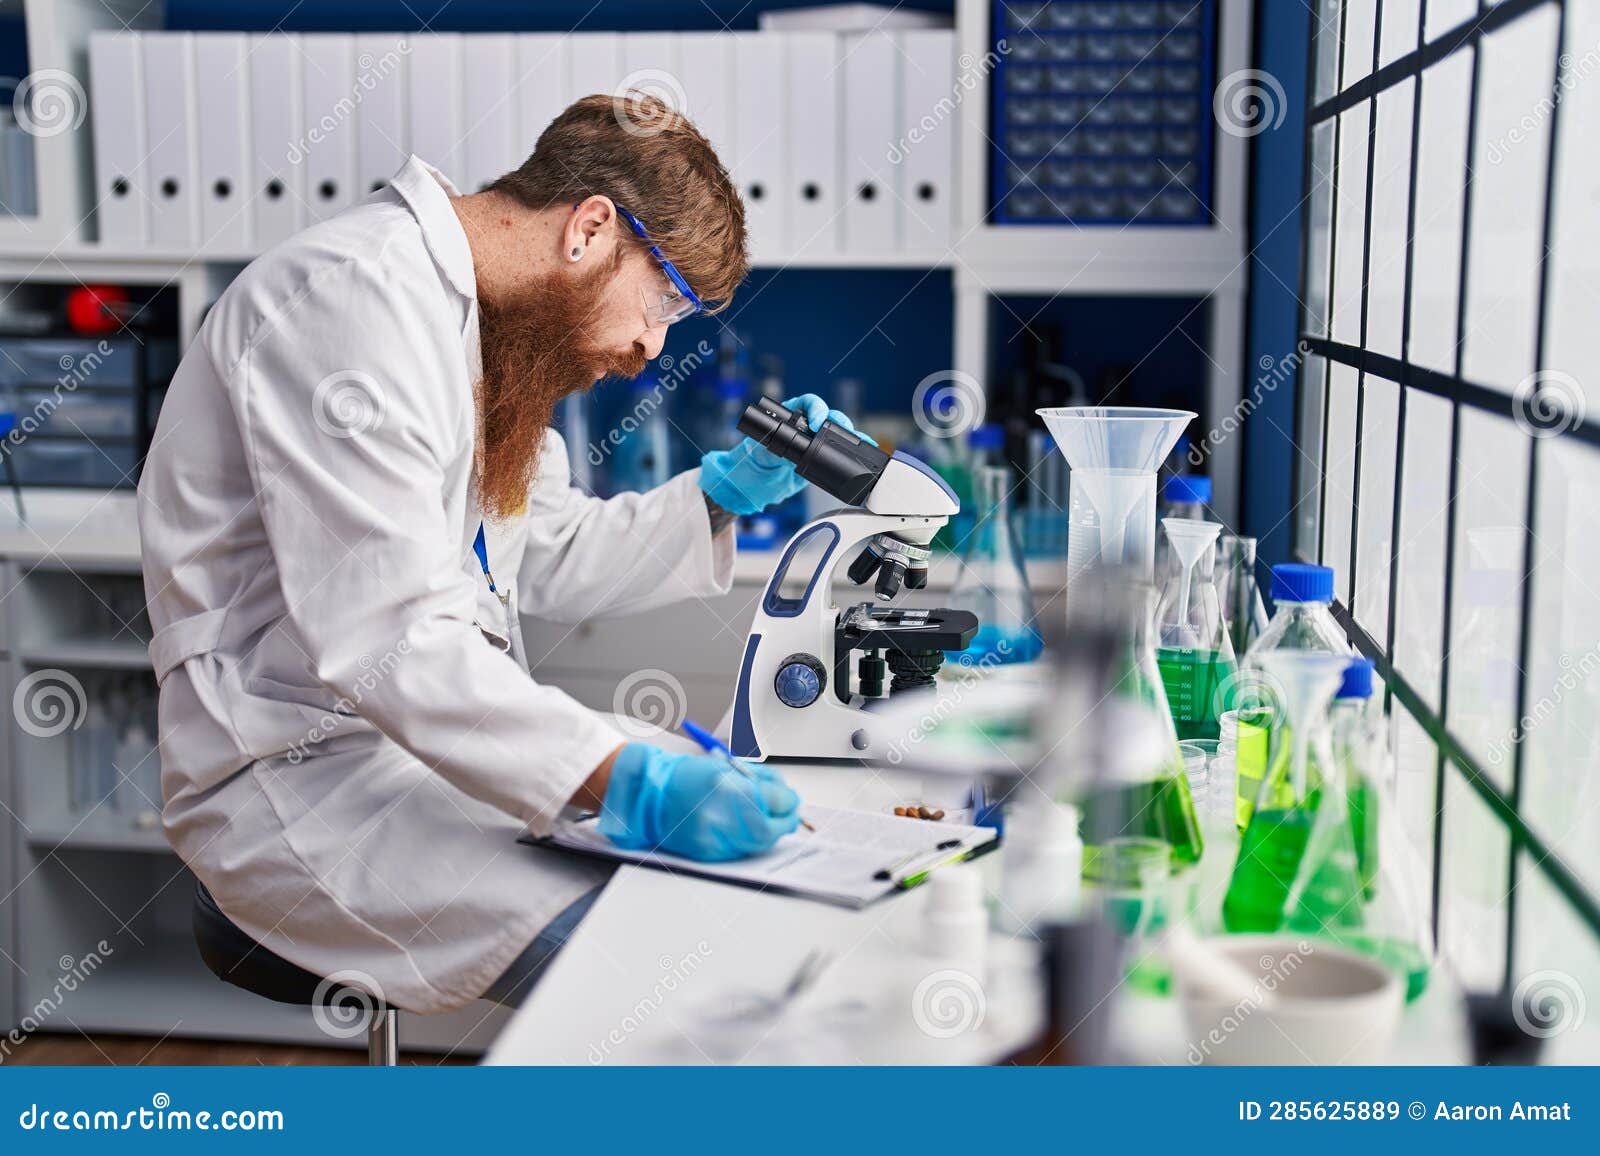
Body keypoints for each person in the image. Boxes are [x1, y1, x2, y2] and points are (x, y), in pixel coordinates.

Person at [137, 95, 866, 1014]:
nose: (651, 348)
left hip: (425, 750)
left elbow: (545, 551)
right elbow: (392, 639)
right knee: (683, 966)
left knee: (773, 889)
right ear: (591, 228)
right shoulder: (350, 302)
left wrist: (716, 495)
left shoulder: (489, 339)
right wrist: (628, 781)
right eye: (665, 301)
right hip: (299, 783)